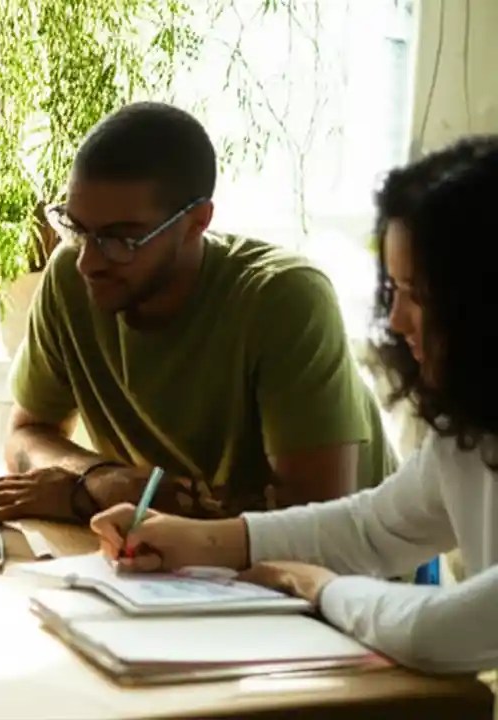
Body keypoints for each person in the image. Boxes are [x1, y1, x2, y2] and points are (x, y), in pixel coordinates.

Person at [89, 137, 498, 674]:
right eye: (393, 290)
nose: (396, 320)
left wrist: (319, 586)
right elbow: (373, 528)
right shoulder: (470, 429)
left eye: (418, 295)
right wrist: (194, 540)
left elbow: (436, 632)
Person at [0, 102, 392, 525]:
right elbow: (27, 434)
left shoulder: (285, 299)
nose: (89, 261)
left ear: (196, 222)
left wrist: (91, 496)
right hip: (181, 568)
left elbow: (315, 525)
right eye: (77, 229)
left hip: (357, 577)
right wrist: (101, 478)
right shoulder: (72, 280)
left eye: (121, 239)